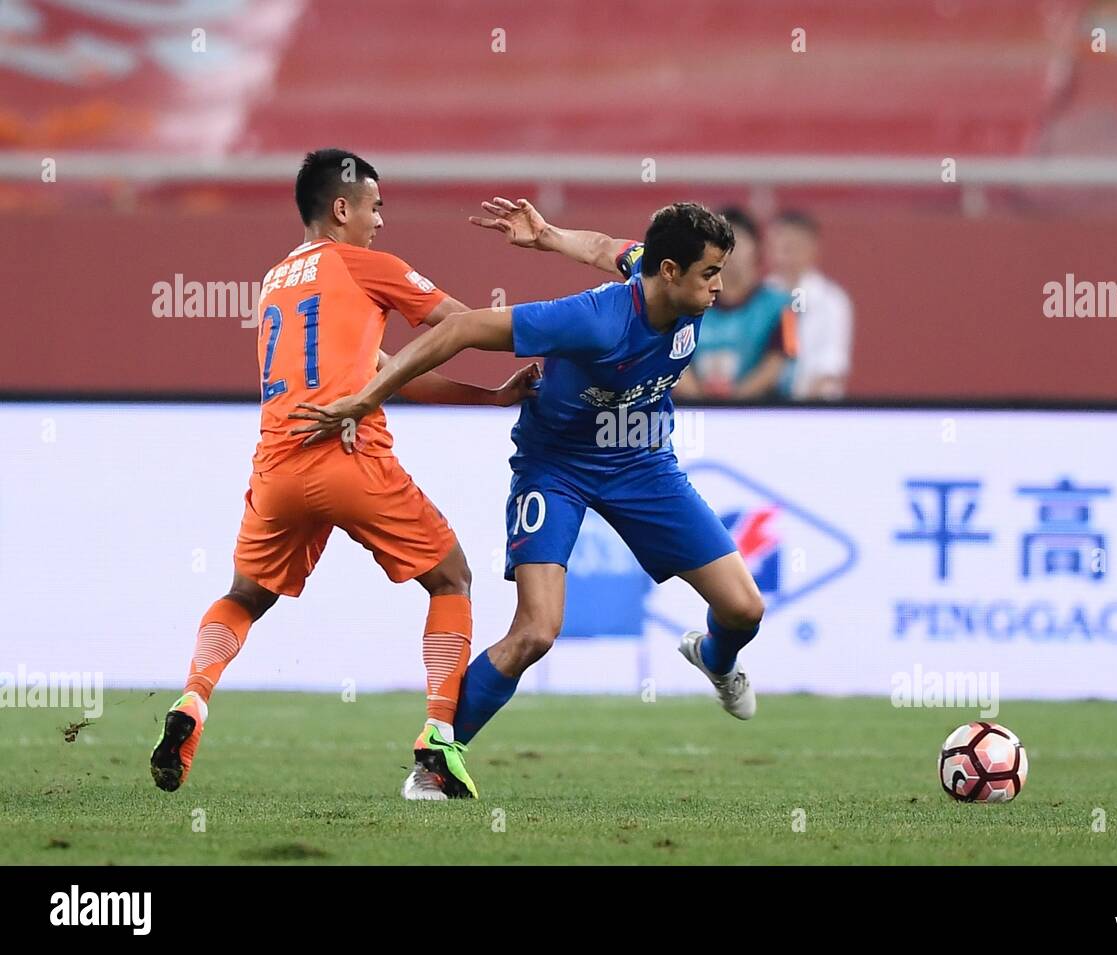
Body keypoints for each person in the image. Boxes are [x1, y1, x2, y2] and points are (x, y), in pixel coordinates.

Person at [290, 200, 767, 797]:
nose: (720, 287)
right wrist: (366, 397)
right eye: (710, 274)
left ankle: (715, 660)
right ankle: (435, 762)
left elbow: (604, 247)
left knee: (745, 609)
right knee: (538, 630)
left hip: (644, 466)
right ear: (670, 272)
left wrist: (547, 236)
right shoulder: (593, 320)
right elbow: (461, 329)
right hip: (557, 468)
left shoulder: (653, 267)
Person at [149, 150, 539, 802]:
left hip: (275, 468)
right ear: (342, 208)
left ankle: (194, 694)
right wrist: (572, 335)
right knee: (451, 577)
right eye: (375, 207)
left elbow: (390, 367)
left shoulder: (275, 282)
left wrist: (492, 398)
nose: (380, 222)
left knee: (244, 596)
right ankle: (439, 736)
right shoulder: (363, 266)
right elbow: (465, 325)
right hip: (349, 452)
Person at [673, 207, 795, 400]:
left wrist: (736, 401)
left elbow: (780, 360)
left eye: (738, 243)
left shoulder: (782, 306)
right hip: (695, 410)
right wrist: (700, 400)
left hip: (760, 412)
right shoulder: (683, 304)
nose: (729, 253)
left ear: (756, 248)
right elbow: (670, 356)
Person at [767, 210, 854, 400]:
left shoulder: (831, 301)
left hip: (814, 407)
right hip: (765, 406)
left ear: (811, 248)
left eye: (791, 247)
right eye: (779, 247)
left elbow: (832, 366)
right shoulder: (762, 297)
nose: (784, 256)